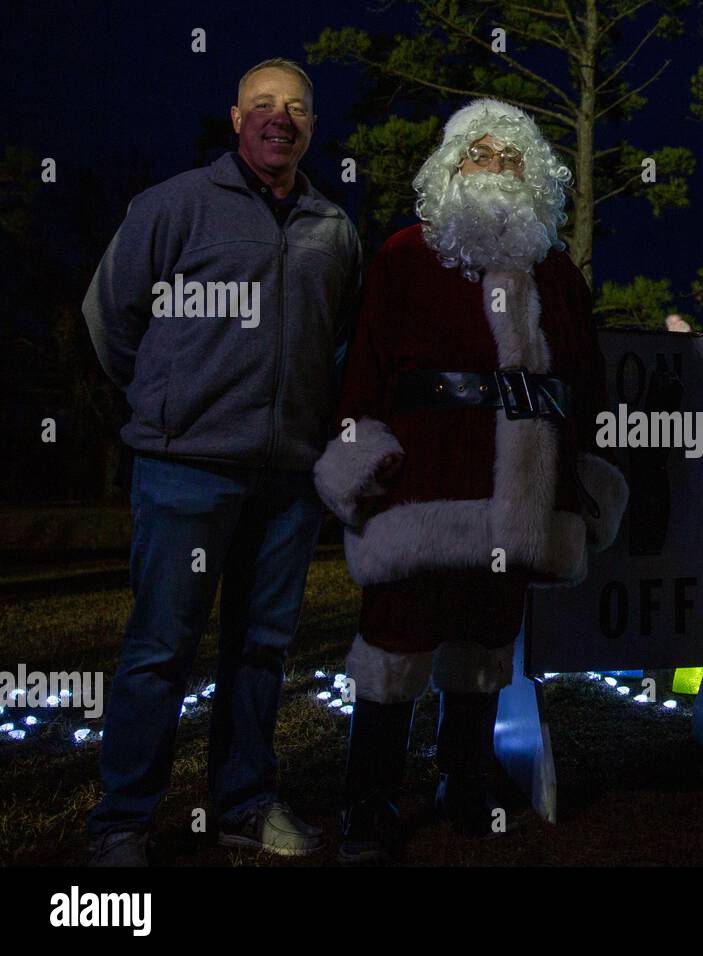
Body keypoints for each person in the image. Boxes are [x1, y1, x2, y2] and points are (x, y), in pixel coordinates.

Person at [314, 98, 627, 861]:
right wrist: (361, 453)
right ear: (451, 172)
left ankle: (465, 777)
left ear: (536, 178)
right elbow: (363, 374)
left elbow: (585, 382)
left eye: (512, 157)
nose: (497, 168)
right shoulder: (402, 258)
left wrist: (589, 474)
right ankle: (369, 796)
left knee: (486, 638)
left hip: (523, 491)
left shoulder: (557, 274)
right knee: (396, 641)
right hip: (421, 484)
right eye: (480, 155)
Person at [82, 58, 362, 865]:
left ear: (312, 127)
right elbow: (111, 318)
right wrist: (170, 403)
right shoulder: (173, 206)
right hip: (186, 471)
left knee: (262, 648)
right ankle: (124, 822)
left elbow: (337, 342)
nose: (283, 117)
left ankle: (244, 800)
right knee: (160, 647)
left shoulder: (332, 229)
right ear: (236, 115)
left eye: (299, 108)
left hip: (287, 480)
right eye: (265, 104)